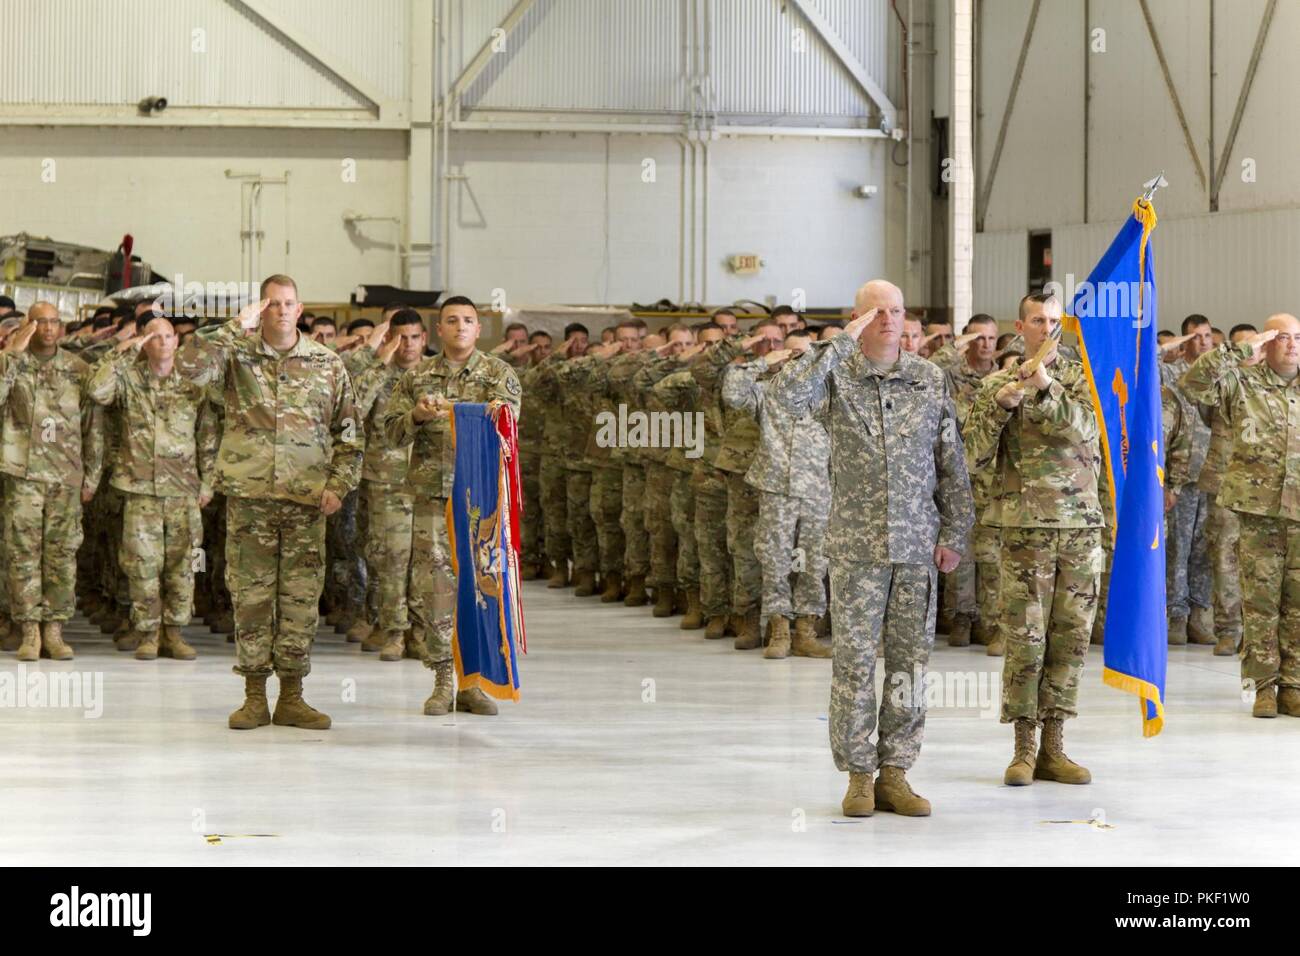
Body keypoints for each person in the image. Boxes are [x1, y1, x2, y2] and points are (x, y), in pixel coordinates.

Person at [772, 280, 973, 817]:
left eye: (898, 310)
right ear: (857, 319)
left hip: (916, 545)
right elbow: (784, 396)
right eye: (876, 312)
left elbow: (949, 459)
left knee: (910, 665)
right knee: (855, 663)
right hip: (856, 547)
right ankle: (858, 774)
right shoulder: (836, 375)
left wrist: (955, 531)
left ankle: (895, 773)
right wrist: (838, 342)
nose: (890, 319)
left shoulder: (927, 378)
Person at [184, 275, 363, 730]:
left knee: (301, 600)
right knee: (251, 598)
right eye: (272, 304)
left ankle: (292, 696)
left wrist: (338, 486)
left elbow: (350, 435)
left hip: (306, 502)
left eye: (288, 304)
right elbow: (188, 369)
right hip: (251, 499)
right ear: (261, 309)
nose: (281, 311)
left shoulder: (327, 364)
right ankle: (252, 696)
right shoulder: (236, 356)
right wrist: (231, 327)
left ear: (300, 309)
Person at [965, 292, 1103, 786]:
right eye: (1036, 320)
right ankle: (1023, 746)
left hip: (1081, 526)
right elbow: (972, 455)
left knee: (1071, 638)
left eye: (1052, 320)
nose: (1045, 328)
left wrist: (1044, 387)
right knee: (1025, 639)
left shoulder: (1084, 380)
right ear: (1020, 327)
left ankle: (1056, 744)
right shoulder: (996, 384)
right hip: (1025, 528)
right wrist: (1000, 408)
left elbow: (1086, 431)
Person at [383, 295, 521, 717]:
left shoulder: (499, 373)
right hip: (433, 497)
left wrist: (471, 413)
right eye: (451, 321)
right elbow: (390, 432)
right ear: (437, 330)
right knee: (438, 590)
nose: (460, 327)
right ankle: (443, 678)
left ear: (479, 330)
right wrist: (419, 418)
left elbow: (510, 426)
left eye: (468, 321)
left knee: (479, 587)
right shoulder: (417, 377)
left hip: (480, 501)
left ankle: (473, 682)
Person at [1180, 315, 1300, 718]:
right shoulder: (1242, 384)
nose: (1291, 344)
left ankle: (1294, 686)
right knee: (1259, 604)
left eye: (1297, 337)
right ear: (1267, 343)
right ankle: (1260, 689)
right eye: (1282, 337)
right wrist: (1240, 349)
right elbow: (1193, 383)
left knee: (1297, 605)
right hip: (1258, 509)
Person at [85, 317, 217, 660]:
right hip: (141, 487)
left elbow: (207, 436)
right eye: (153, 336)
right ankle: (148, 632)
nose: (161, 341)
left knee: (183, 565)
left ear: (176, 342)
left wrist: (208, 482)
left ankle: (174, 633)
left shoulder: (193, 384)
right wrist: (123, 351)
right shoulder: (129, 379)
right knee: (141, 564)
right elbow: (97, 391)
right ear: (144, 341)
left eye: (167, 336)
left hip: (182, 488)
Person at [0, 304, 105, 661]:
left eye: (54, 322)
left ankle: (54, 629)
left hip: (65, 475)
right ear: (28, 325)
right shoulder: (12, 364)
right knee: (22, 553)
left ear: (62, 327)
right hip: (23, 475)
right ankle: (29, 629)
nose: (47, 328)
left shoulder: (77, 369)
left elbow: (94, 426)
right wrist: (13, 351)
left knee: (61, 554)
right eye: (40, 321)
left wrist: (92, 474)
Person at [721, 329, 832, 659]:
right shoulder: (767, 392)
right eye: (791, 354)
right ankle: (779, 630)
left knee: (815, 562)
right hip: (775, 488)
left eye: (804, 354)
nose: (797, 360)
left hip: (817, 490)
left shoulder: (827, 394)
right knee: (775, 560)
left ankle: (806, 631)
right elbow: (732, 394)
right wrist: (761, 362)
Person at [353, 310, 429, 661]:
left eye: (414, 338)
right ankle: (394, 630)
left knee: (427, 560)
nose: (408, 345)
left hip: (429, 480)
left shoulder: (436, 374)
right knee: (390, 559)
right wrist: (380, 363)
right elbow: (354, 410)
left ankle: (421, 630)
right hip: (386, 479)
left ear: (425, 339)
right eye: (401, 338)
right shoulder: (379, 376)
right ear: (390, 339)